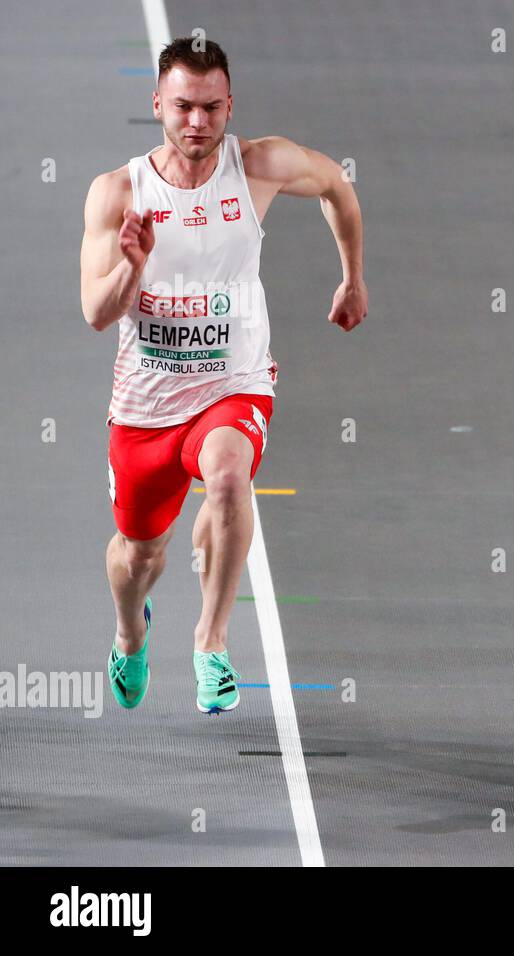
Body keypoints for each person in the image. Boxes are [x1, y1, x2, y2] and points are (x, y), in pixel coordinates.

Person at [80, 38, 367, 714]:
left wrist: (352, 277)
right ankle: (130, 634)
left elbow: (337, 187)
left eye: (211, 108)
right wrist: (132, 265)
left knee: (231, 476)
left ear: (229, 105)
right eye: (183, 106)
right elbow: (97, 313)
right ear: (158, 104)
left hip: (231, 384)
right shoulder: (118, 193)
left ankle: (211, 642)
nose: (198, 123)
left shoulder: (259, 164)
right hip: (147, 404)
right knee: (138, 557)